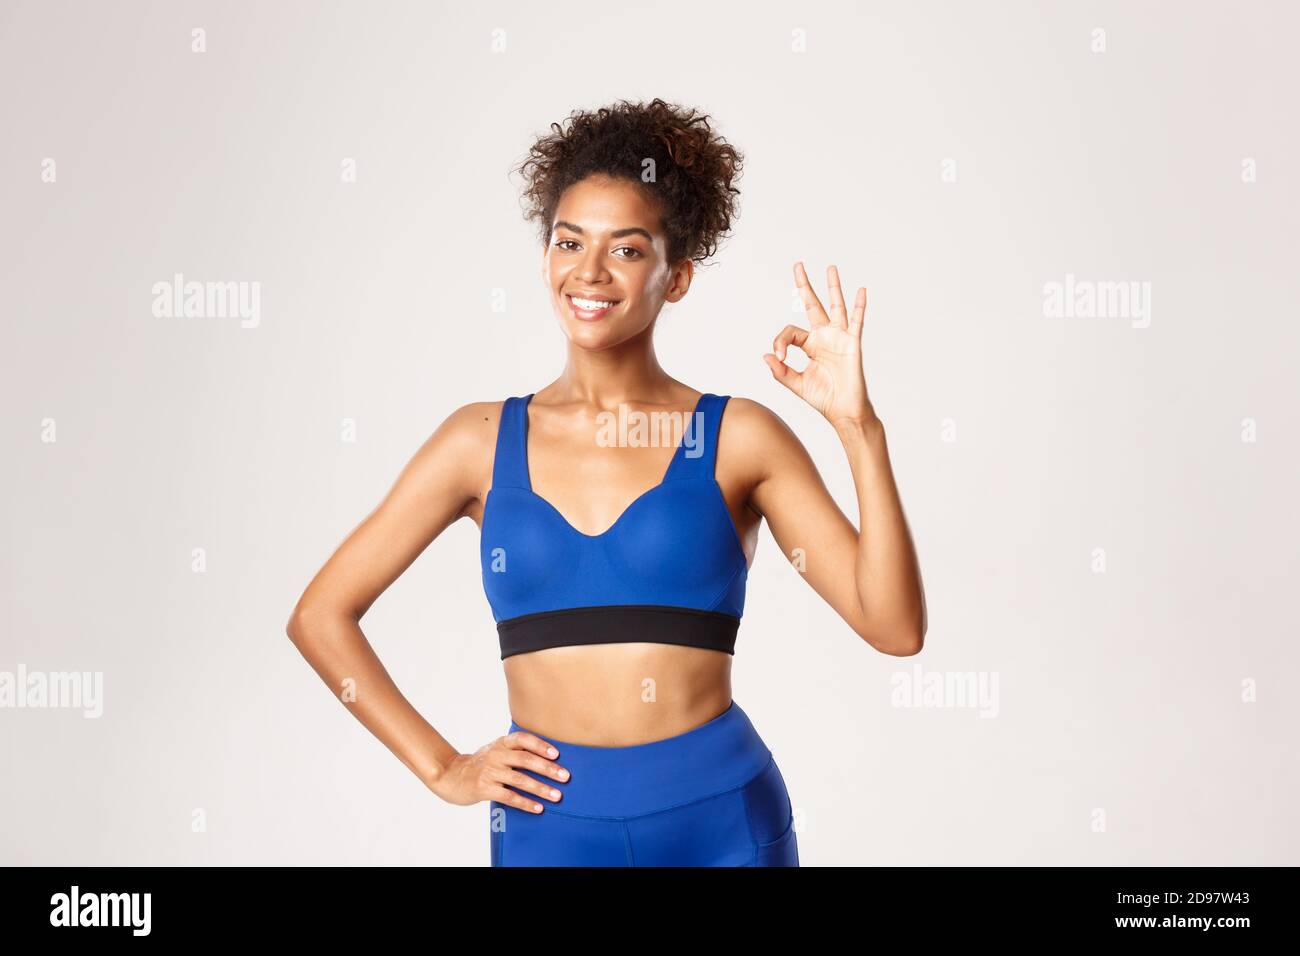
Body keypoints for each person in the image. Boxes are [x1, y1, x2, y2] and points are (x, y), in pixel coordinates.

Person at [286, 98, 927, 866]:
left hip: (721, 820)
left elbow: (895, 628)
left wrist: (861, 430)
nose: (588, 272)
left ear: (677, 275)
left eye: (626, 249)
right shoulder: (479, 442)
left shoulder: (739, 438)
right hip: (548, 827)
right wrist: (443, 766)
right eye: (568, 242)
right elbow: (321, 615)